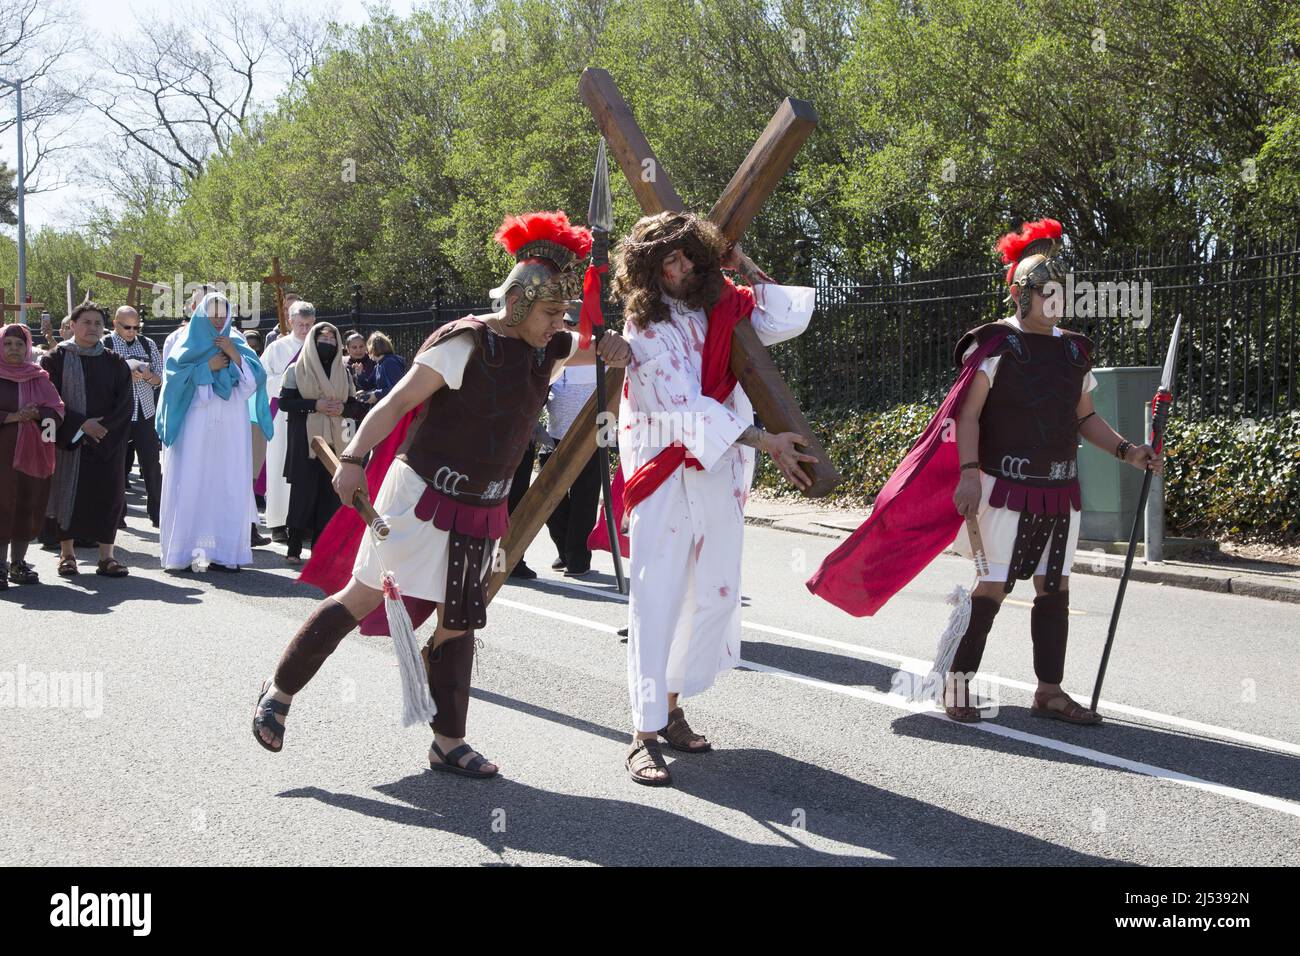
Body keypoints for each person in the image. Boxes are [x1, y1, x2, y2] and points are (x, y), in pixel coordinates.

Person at [253, 210, 631, 778]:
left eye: (562, 313)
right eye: (551, 311)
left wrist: (613, 346)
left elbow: (592, 344)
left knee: (459, 621)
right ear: (520, 303)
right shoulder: (466, 341)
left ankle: (447, 743)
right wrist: (355, 460)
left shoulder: (547, 346)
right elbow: (395, 403)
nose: (560, 322)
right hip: (420, 497)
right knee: (360, 599)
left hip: (482, 510)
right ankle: (279, 693)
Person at [805, 218, 1164, 725]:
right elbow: (967, 415)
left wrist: (1128, 451)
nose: (1056, 303)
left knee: (1055, 587)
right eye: (1047, 294)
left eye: (1062, 295)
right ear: (1021, 295)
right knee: (992, 586)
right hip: (1003, 487)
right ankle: (957, 683)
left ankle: (1050, 691)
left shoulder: (1074, 350)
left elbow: (1083, 416)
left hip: (1061, 490)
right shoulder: (996, 346)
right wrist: (969, 473)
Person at [611, 211, 817, 786]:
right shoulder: (643, 328)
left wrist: (740, 264)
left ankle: (671, 706)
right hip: (665, 473)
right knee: (658, 599)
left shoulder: (721, 303)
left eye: (685, 257)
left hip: (720, 470)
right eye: (664, 263)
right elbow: (683, 409)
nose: (677, 270)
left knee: (715, 597)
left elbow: (785, 313)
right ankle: (643, 733)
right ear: (648, 274)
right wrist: (767, 440)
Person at [155, 293, 273, 572]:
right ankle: (184, 552)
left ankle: (224, 552)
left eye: (223, 313)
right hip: (194, 424)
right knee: (193, 481)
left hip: (231, 424)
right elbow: (173, 382)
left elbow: (252, 384)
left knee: (227, 483)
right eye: (213, 313)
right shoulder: (185, 342)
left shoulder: (238, 342)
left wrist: (233, 355)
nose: (218, 319)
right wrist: (206, 368)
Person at [41, 302, 134, 578]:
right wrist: (80, 425)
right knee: (67, 497)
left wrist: (100, 432)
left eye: (97, 323)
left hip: (107, 445)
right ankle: (67, 555)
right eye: (86, 322)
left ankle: (107, 557)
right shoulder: (54, 359)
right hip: (69, 443)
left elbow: (124, 406)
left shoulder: (115, 362)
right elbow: (50, 400)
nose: (92, 327)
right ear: (72, 325)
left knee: (108, 497)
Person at [278, 320, 366, 564]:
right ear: (312, 342)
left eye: (331, 340)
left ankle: (320, 549)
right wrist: (314, 405)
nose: (327, 344)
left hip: (336, 444)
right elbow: (285, 402)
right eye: (322, 340)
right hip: (306, 443)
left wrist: (342, 408)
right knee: (302, 496)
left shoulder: (344, 371)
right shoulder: (296, 369)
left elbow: (354, 407)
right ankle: (294, 548)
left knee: (329, 497)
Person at [0, 323, 65, 589]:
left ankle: (18, 564)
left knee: (27, 507)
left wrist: (39, 414)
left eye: (19, 344)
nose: (14, 349)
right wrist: (12, 417)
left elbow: (58, 412)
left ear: (27, 347)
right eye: (7, 344)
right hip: (2, 459)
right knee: (1, 508)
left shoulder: (39, 377)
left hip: (34, 459)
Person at [537, 354, 599, 576]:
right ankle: (564, 550)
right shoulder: (554, 353)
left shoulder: (599, 352)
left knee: (585, 500)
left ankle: (578, 558)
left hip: (591, 439)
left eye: (574, 322)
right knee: (548, 498)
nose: (568, 326)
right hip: (554, 438)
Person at [261, 300, 315, 542]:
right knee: (278, 466)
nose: (305, 329)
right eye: (300, 324)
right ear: (291, 321)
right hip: (283, 414)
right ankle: (278, 522)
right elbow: (263, 378)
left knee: (308, 469)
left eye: (309, 324)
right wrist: (290, 384)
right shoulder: (277, 348)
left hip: (312, 414)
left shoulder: (319, 345)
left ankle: (303, 522)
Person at [107, 306, 164, 527]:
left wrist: (148, 376)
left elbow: (160, 380)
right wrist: (123, 377)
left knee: (151, 464)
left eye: (136, 327)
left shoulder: (148, 344)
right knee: (117, 466)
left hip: (145, 412)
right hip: (118, 414)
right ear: (115, 324)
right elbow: (101, 381)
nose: (132, 331)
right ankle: (117, 515)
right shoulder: (106, 345)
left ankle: (158, 513)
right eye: (127, 327)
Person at [354, 331, 406, 405]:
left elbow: (398, 388)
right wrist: (360, 374)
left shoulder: (390, 362)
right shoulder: (378, 365)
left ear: (372, 348)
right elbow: (369, 386)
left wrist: (376, 394)